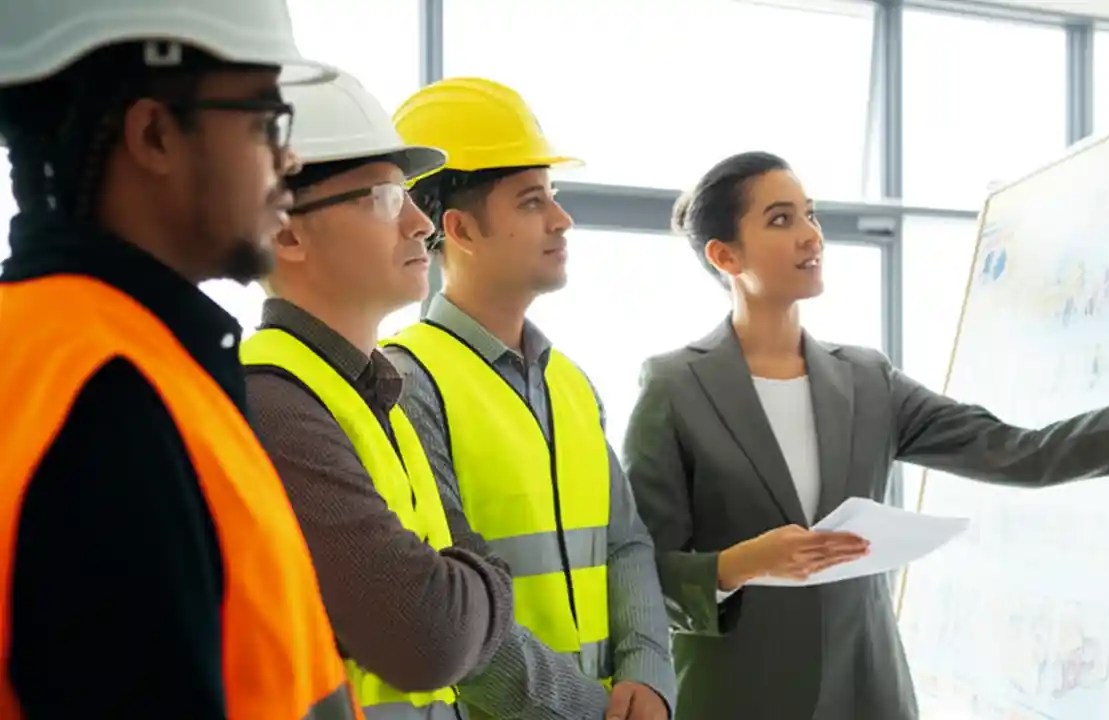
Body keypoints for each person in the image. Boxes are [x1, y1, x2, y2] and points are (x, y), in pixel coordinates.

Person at [620, 150, 1109, 720]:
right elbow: (642, 574)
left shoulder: (867, 379)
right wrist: (743, 563)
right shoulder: (674, 386)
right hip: (737, 697)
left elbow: (1022, 452)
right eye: (781, 219)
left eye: (811, 214)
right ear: (725, 255)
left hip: (867, 693)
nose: (811, 235)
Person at [0, 2, 362, 718]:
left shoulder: (59, 353)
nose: (289, 159)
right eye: (266, 121)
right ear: (155, 134)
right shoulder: (111, 403)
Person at [384, 77, 677, 720]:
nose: (561, 220)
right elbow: (448, 607)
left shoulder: (570, 382)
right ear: (460, 228)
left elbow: (626, 544)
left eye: (554, 198)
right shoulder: (406, 384)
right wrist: (587, 710)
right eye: (531, 202)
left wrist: (649, 674)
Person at [240, 71, 515, 719]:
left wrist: (468, 585)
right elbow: (428, 640)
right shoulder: (271, 403)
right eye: (387, 199)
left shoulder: (368, 392)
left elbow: (458, 592)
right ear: (287, 234)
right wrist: (485, 582)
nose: (421, 225)